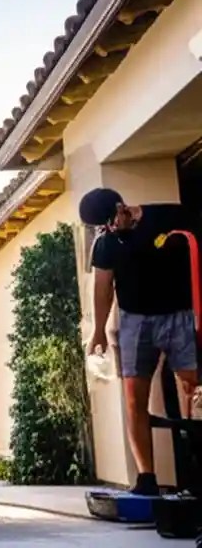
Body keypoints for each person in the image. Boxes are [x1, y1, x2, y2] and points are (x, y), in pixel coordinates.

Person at [81, 187, 200, 495]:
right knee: (134, 398)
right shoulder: (105, 243)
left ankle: (195, 466)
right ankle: (147, 479)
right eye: (101, 227)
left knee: (192, 384)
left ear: (123, 209)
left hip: (179, 315)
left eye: (110, 222)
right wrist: (97, 332)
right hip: (134, 321)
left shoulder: (168, 216)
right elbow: (103, 288)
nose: (107, 230)